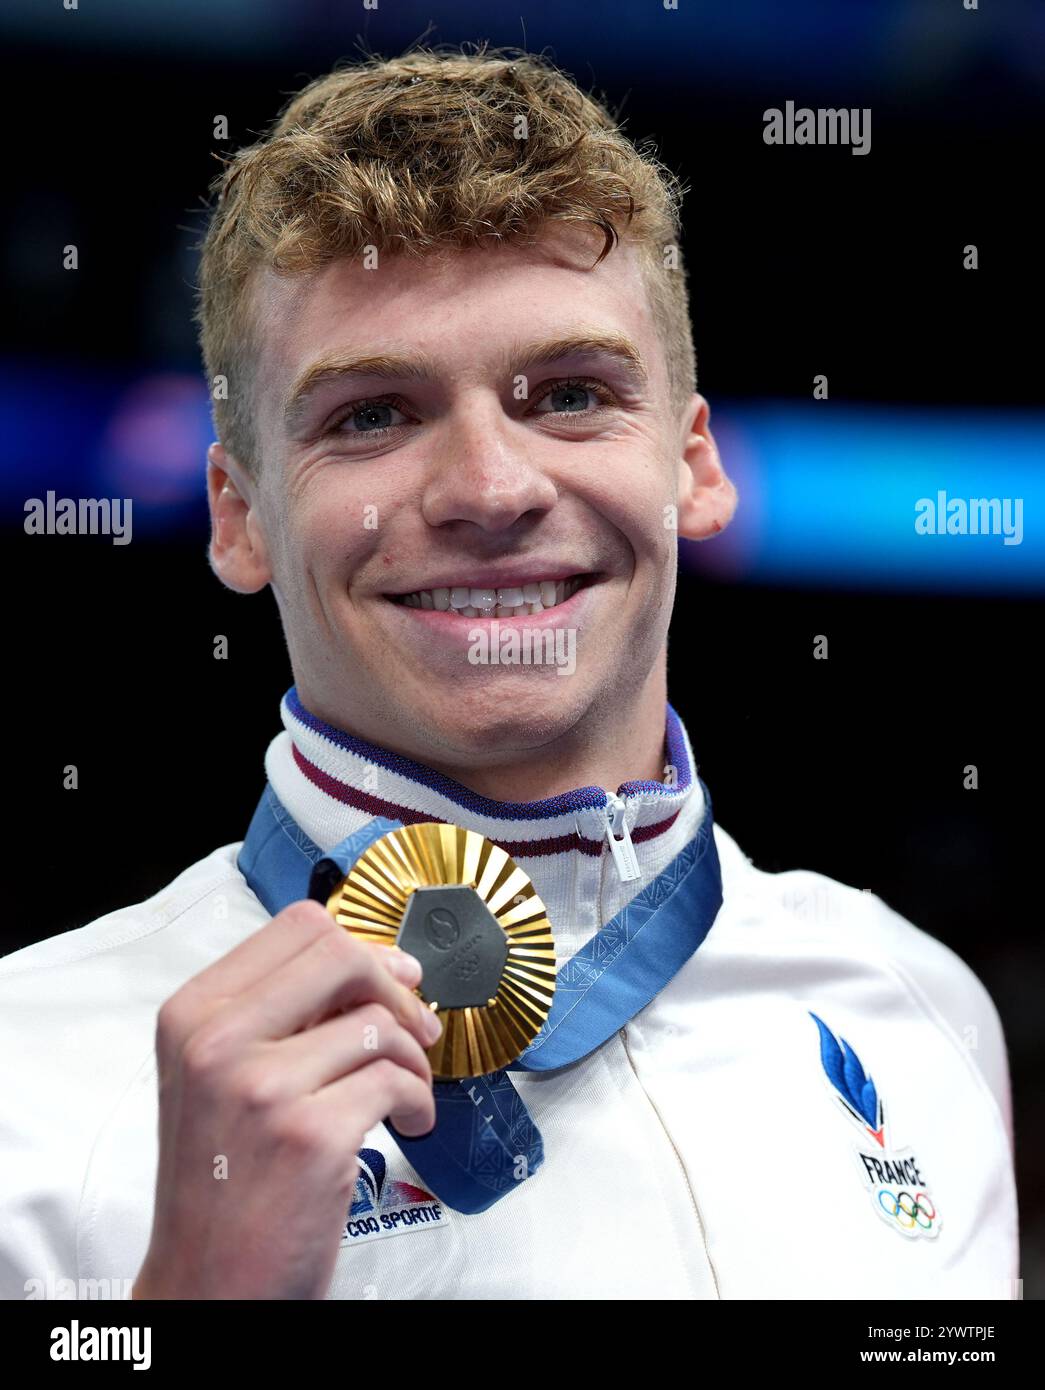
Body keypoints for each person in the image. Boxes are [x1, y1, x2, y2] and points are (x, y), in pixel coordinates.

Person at [0, 46, 1017, 1301]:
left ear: (692, 466)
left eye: (574, 395)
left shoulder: (920, 1010)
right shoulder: (25, 1083)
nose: (489, 490)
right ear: (239, 512)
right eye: (372, 414)